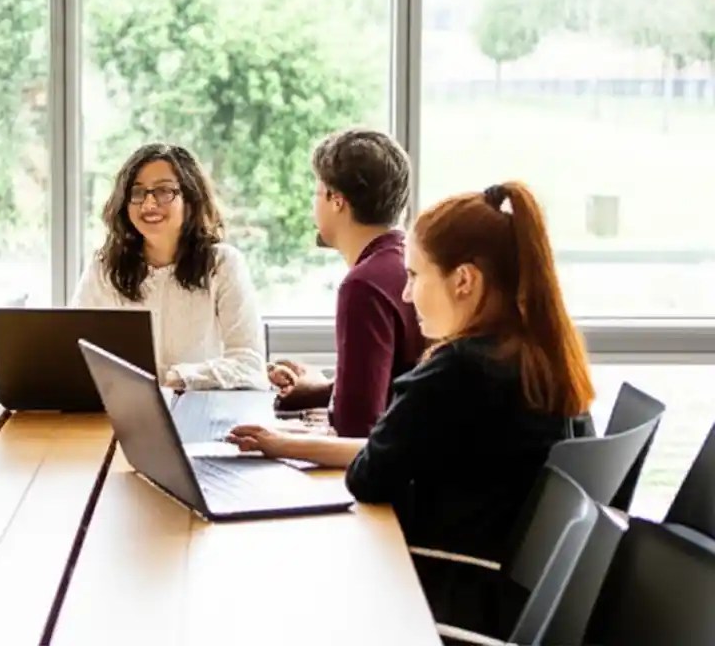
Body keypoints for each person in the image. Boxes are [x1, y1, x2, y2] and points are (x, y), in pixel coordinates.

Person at [228, 181, 595, 638]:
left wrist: (297, 444)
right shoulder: (541, 355)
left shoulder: (457, 370)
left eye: (416, 276)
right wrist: (285, 443)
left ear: (464, 280)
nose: (405, 294)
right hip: (509, 590)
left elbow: (369, 478)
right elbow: (398, 455)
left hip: (449, 588)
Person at [73, 143, 266, 390]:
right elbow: (76, 352)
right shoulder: (104, 267)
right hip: (125, 411)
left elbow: (250, 365)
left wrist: (182, 377)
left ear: (190, 199)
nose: (149, 205)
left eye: (164, 192)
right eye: (138, 192)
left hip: (203, 410)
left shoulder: (223, 264)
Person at [269, 128, 424, 436]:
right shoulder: (408, 264)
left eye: (316, 193)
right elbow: (393, 389)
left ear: (336, 200)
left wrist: (282, 440)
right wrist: (320, 389)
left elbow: (357, 426)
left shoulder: (364, 285)